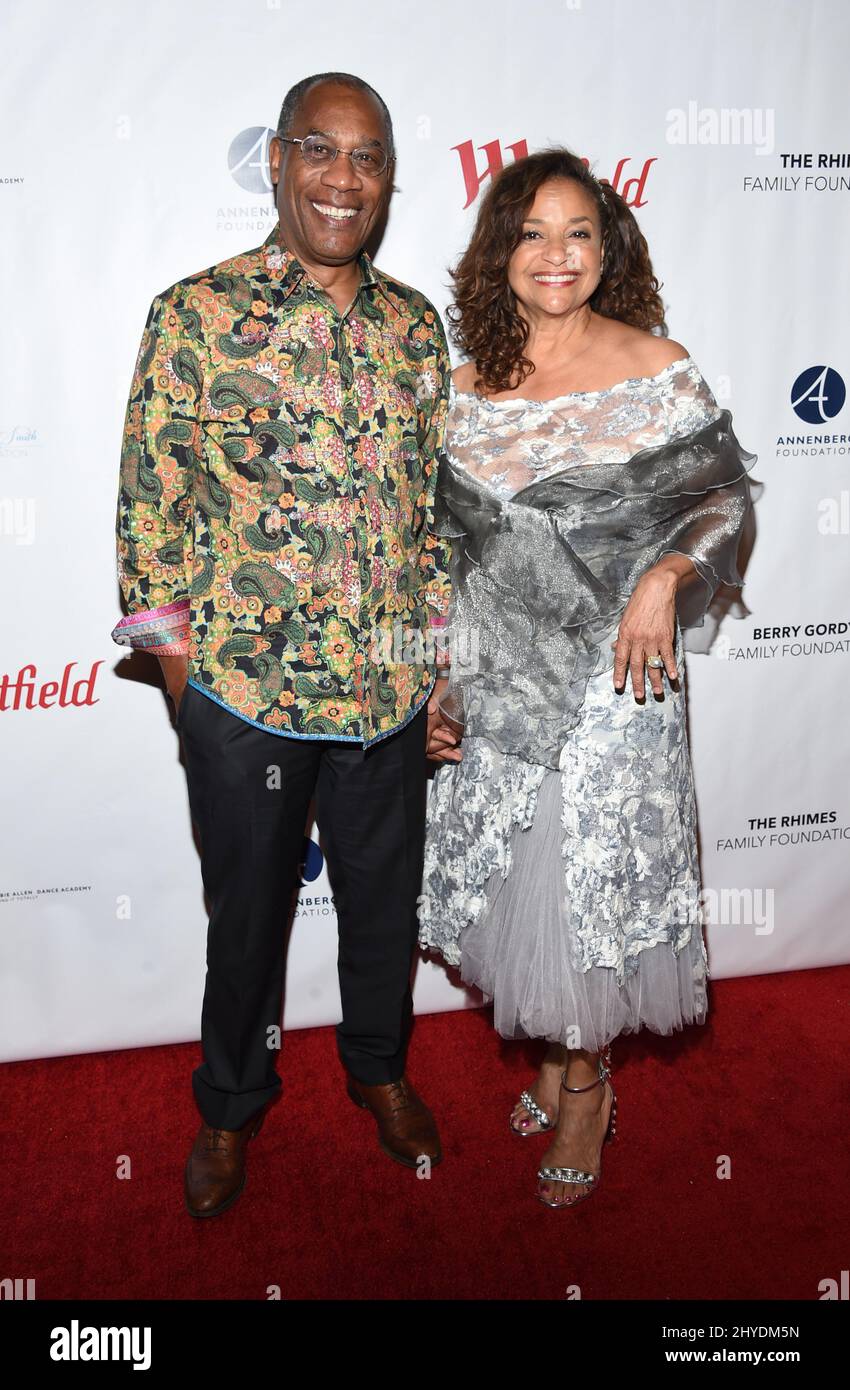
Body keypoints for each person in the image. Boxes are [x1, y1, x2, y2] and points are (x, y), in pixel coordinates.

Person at [111, 72, 454, 1218]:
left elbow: (431, 521)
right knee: (248, 919)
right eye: (320, 148)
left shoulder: (415, 328)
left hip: (386, 697)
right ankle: (229, 1104)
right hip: (245, 697)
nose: (343, 177)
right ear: (276, 161)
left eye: (367, 155)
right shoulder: (194, 314)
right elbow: (147, 515)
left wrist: (433, 660)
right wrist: (185, 687)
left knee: (383, 907)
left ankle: (379, 1071)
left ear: (390, 177)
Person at [417, 148, 758, 1209]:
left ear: (606, 249)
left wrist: (664, 577)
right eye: (532, 233)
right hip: (502, 677)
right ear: (500, 252)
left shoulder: (654, 365)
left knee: (587, 876)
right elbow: (449, 556)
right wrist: (442, 678)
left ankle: (583, 1086)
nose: (554, 255)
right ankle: (568, 1055)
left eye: (577, 233)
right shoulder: (462, 391)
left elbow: (722, 498)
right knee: (524, 871)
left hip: (618, 683)